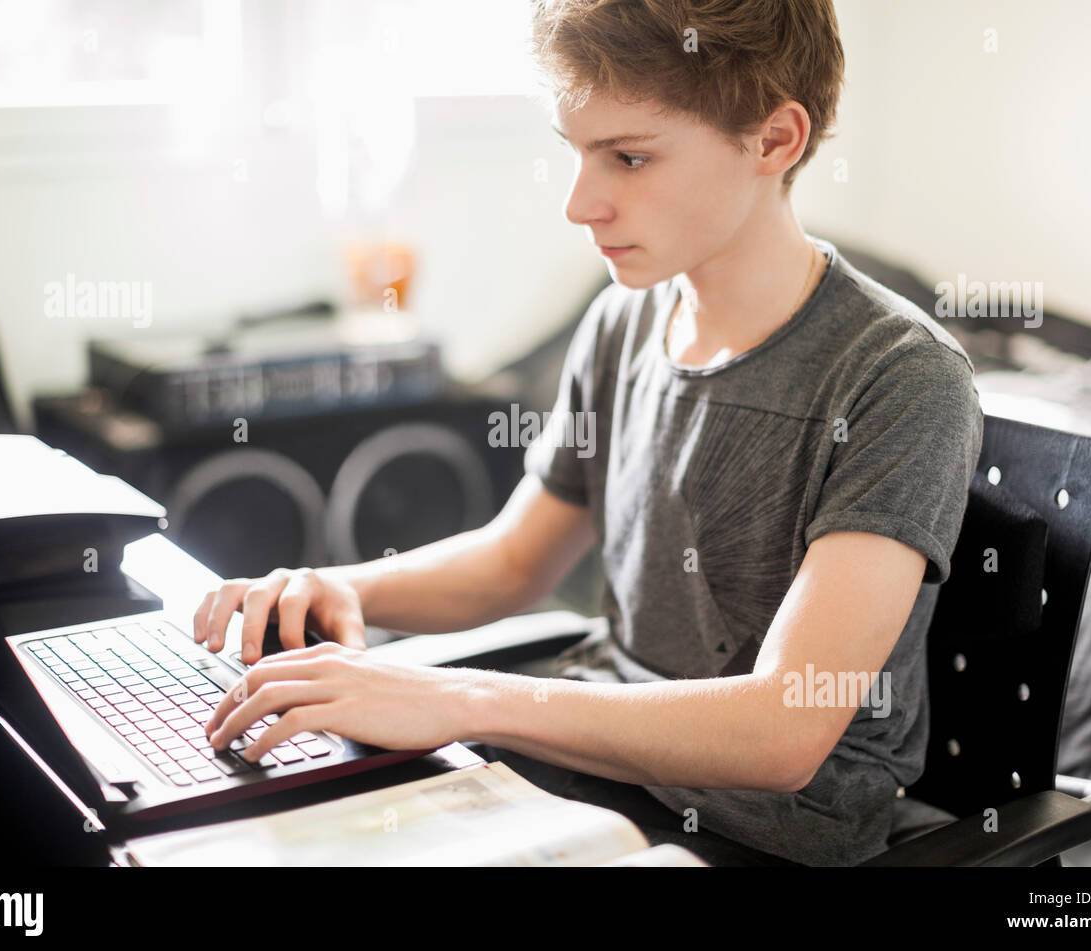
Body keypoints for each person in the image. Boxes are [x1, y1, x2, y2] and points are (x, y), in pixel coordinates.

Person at [192, 0, 983, 866]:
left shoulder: (901, 377)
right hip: (595, 764)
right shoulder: (623, 322)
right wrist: (338, 588)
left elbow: (783, 732)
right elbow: (513, 563)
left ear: (774, 141)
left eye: (630, 157)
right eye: (577, 152)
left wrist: (452, 697)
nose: (580, 204)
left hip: (760, 832)